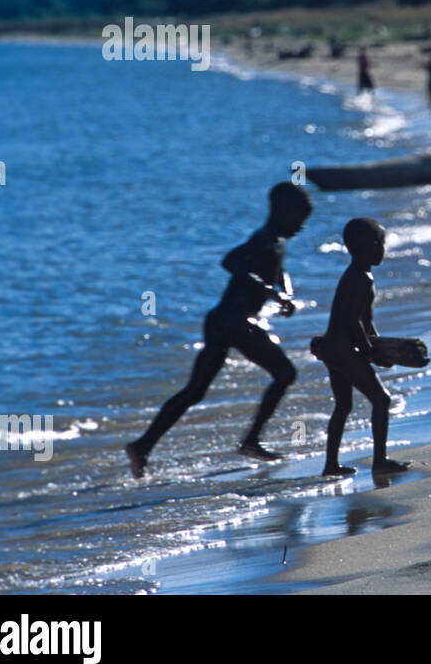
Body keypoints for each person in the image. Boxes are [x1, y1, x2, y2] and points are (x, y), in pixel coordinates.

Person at [125, 182, 312, 477]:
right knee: (285, 373)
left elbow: (280, 271)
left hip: (221, 322)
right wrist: (270, 292)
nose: (301, 226)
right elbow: (230, 261)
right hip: (233, 321)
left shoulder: (276, 242)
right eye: (299, 218)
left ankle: (143, 445)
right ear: (282, 212)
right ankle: (251, 441)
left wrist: (285, 292)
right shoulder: (263, 239)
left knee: (195, 391)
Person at [314, 218, 409, 477]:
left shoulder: (355, 274)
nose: (383, 249)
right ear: (370, 245)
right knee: (382, 399)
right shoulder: (362, 277)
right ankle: (380, 460)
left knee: (343, 406)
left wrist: (377, 344)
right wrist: (367, 350)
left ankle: (331, 465)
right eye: (381, 243)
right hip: (343, 349)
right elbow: (352, 319)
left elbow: (364, 321)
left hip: (332, 348)